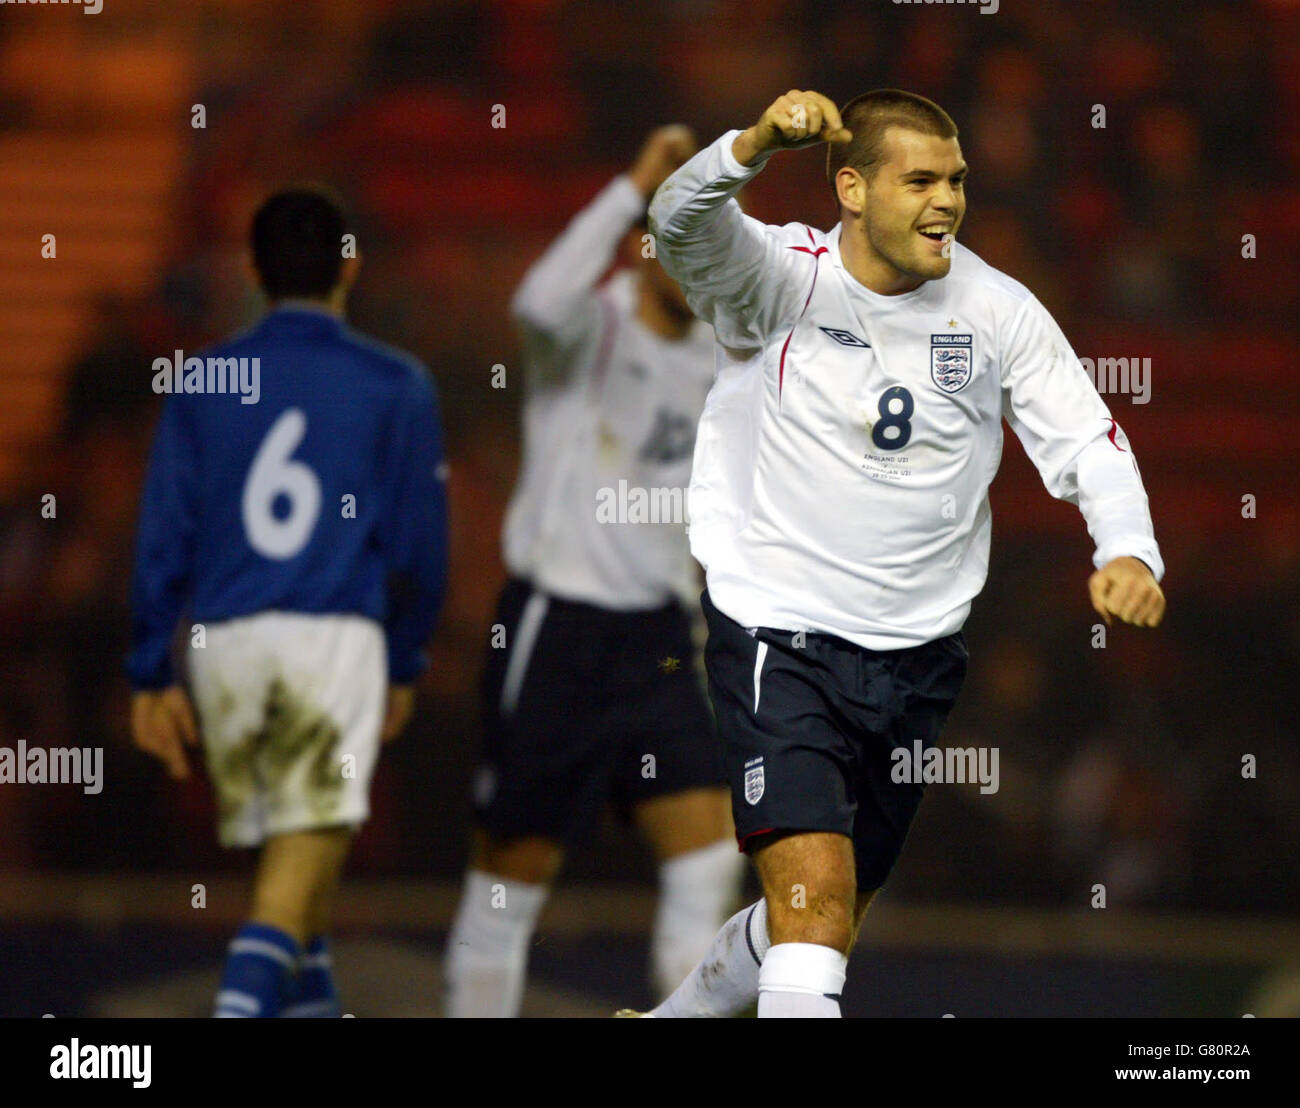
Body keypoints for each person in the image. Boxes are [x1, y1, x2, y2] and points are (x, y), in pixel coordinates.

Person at [637, 89, 1166, 1018]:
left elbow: (1090, 441)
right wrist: (754, 144)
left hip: (916, 659)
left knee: (816, 918)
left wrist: (1129, 550)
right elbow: (674, 222)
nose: (947, 201)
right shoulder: (776, 277)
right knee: (817, 904)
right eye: (919, 180)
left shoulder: (997, 310)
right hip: (778, 632)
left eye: (956, 180)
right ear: (850, 186)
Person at [443, 126, 745, 1017]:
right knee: (511, 878)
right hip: (558, 626)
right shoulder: (589, 326)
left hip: (656, 636)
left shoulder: (725, 359)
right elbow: (536, 300)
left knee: (707, 853)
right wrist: (631, 182)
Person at [128, 187, 448, 1018]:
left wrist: (147, 672)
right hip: (329, 644)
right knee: (290, 889)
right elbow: (419, 548)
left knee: (301, 905)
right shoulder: (396, 384)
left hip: (224, 647)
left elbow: (165, 532)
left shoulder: (204, 379)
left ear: (252, 271)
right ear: (350, 265)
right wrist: (407, 659)